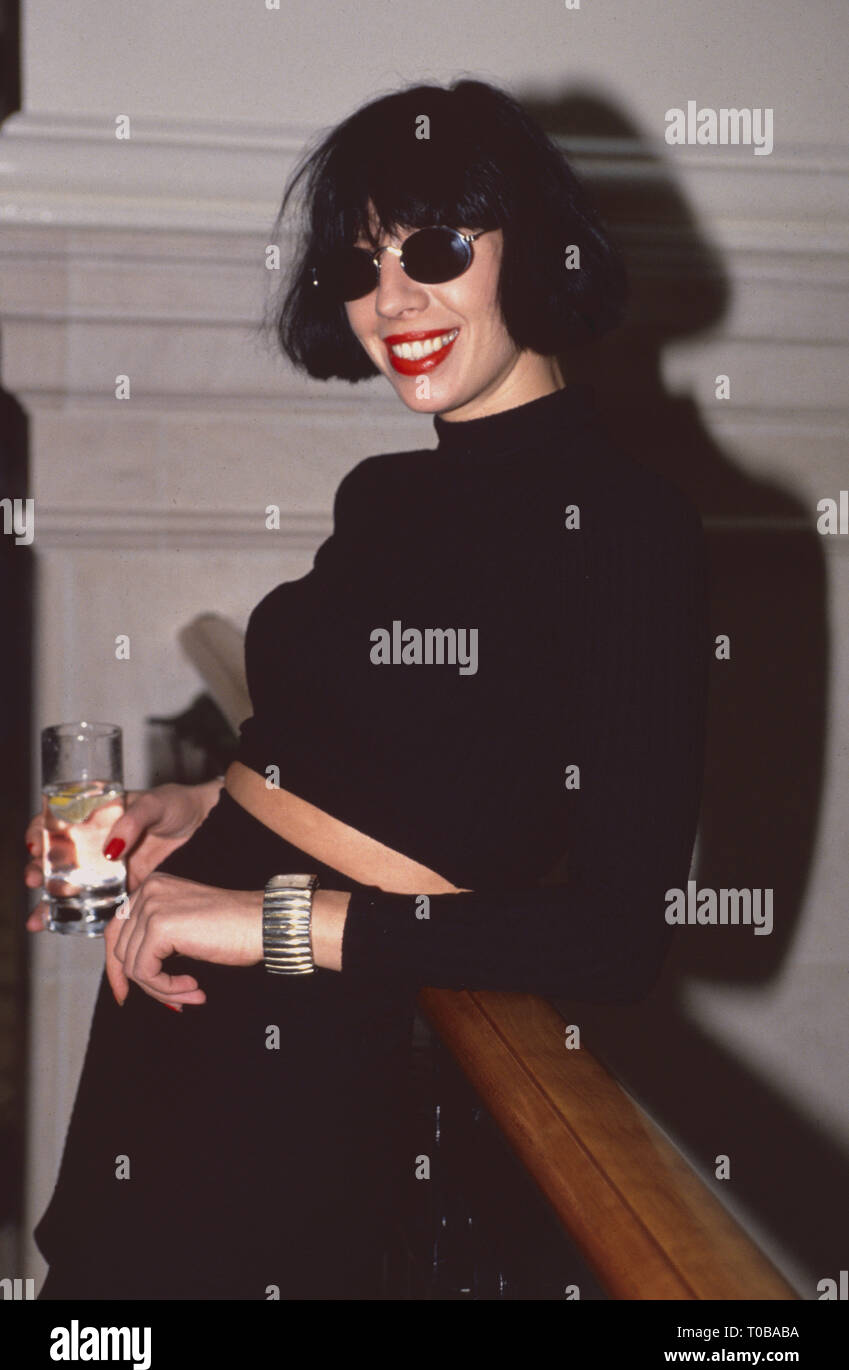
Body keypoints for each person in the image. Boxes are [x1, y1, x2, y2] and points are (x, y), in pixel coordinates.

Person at [24, 78, 710, 1300]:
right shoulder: (385, 495)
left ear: (536, 248)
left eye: (436, 247)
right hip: (177, 1013)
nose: (392, 301)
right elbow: (346, 751)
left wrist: (266, 920)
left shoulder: (633, 530)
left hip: (307, 1075)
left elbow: (613, 937)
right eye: (361, 263)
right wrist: (196, 803)